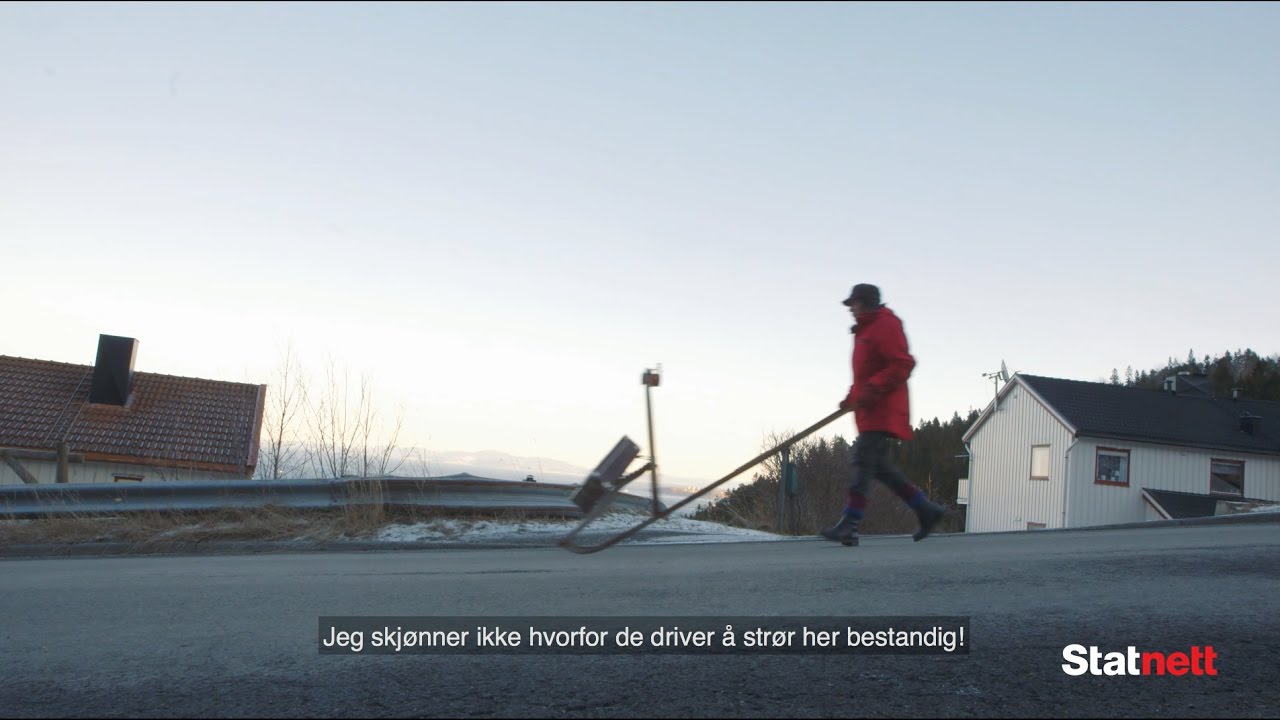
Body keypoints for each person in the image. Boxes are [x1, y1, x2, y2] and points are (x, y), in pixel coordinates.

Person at [820, 283, 947, 547]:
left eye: (853, 304)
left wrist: (873, 389)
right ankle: (926, 510)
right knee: (880, 469)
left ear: (865, 302)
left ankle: (850, 524)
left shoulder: (886, 325)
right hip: (869, 409)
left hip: (883, 409)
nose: (851, 309)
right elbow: (865, 374)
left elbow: (903, 363)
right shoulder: (865, 331)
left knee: (862, 461)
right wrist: (851, 398)